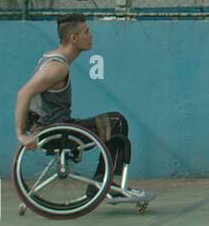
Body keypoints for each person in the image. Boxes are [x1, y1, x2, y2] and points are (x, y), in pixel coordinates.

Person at [14, 13, 146, 200]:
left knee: (112, 122)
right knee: (117, 121)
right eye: (86, 32)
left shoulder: (51, 57)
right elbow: (24, 93)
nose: (91, 35)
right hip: (57, 131)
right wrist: (21, 134)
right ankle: (104, 184)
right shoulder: (57, 67)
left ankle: (103, 182)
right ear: (73, 38)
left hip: (56, 126)